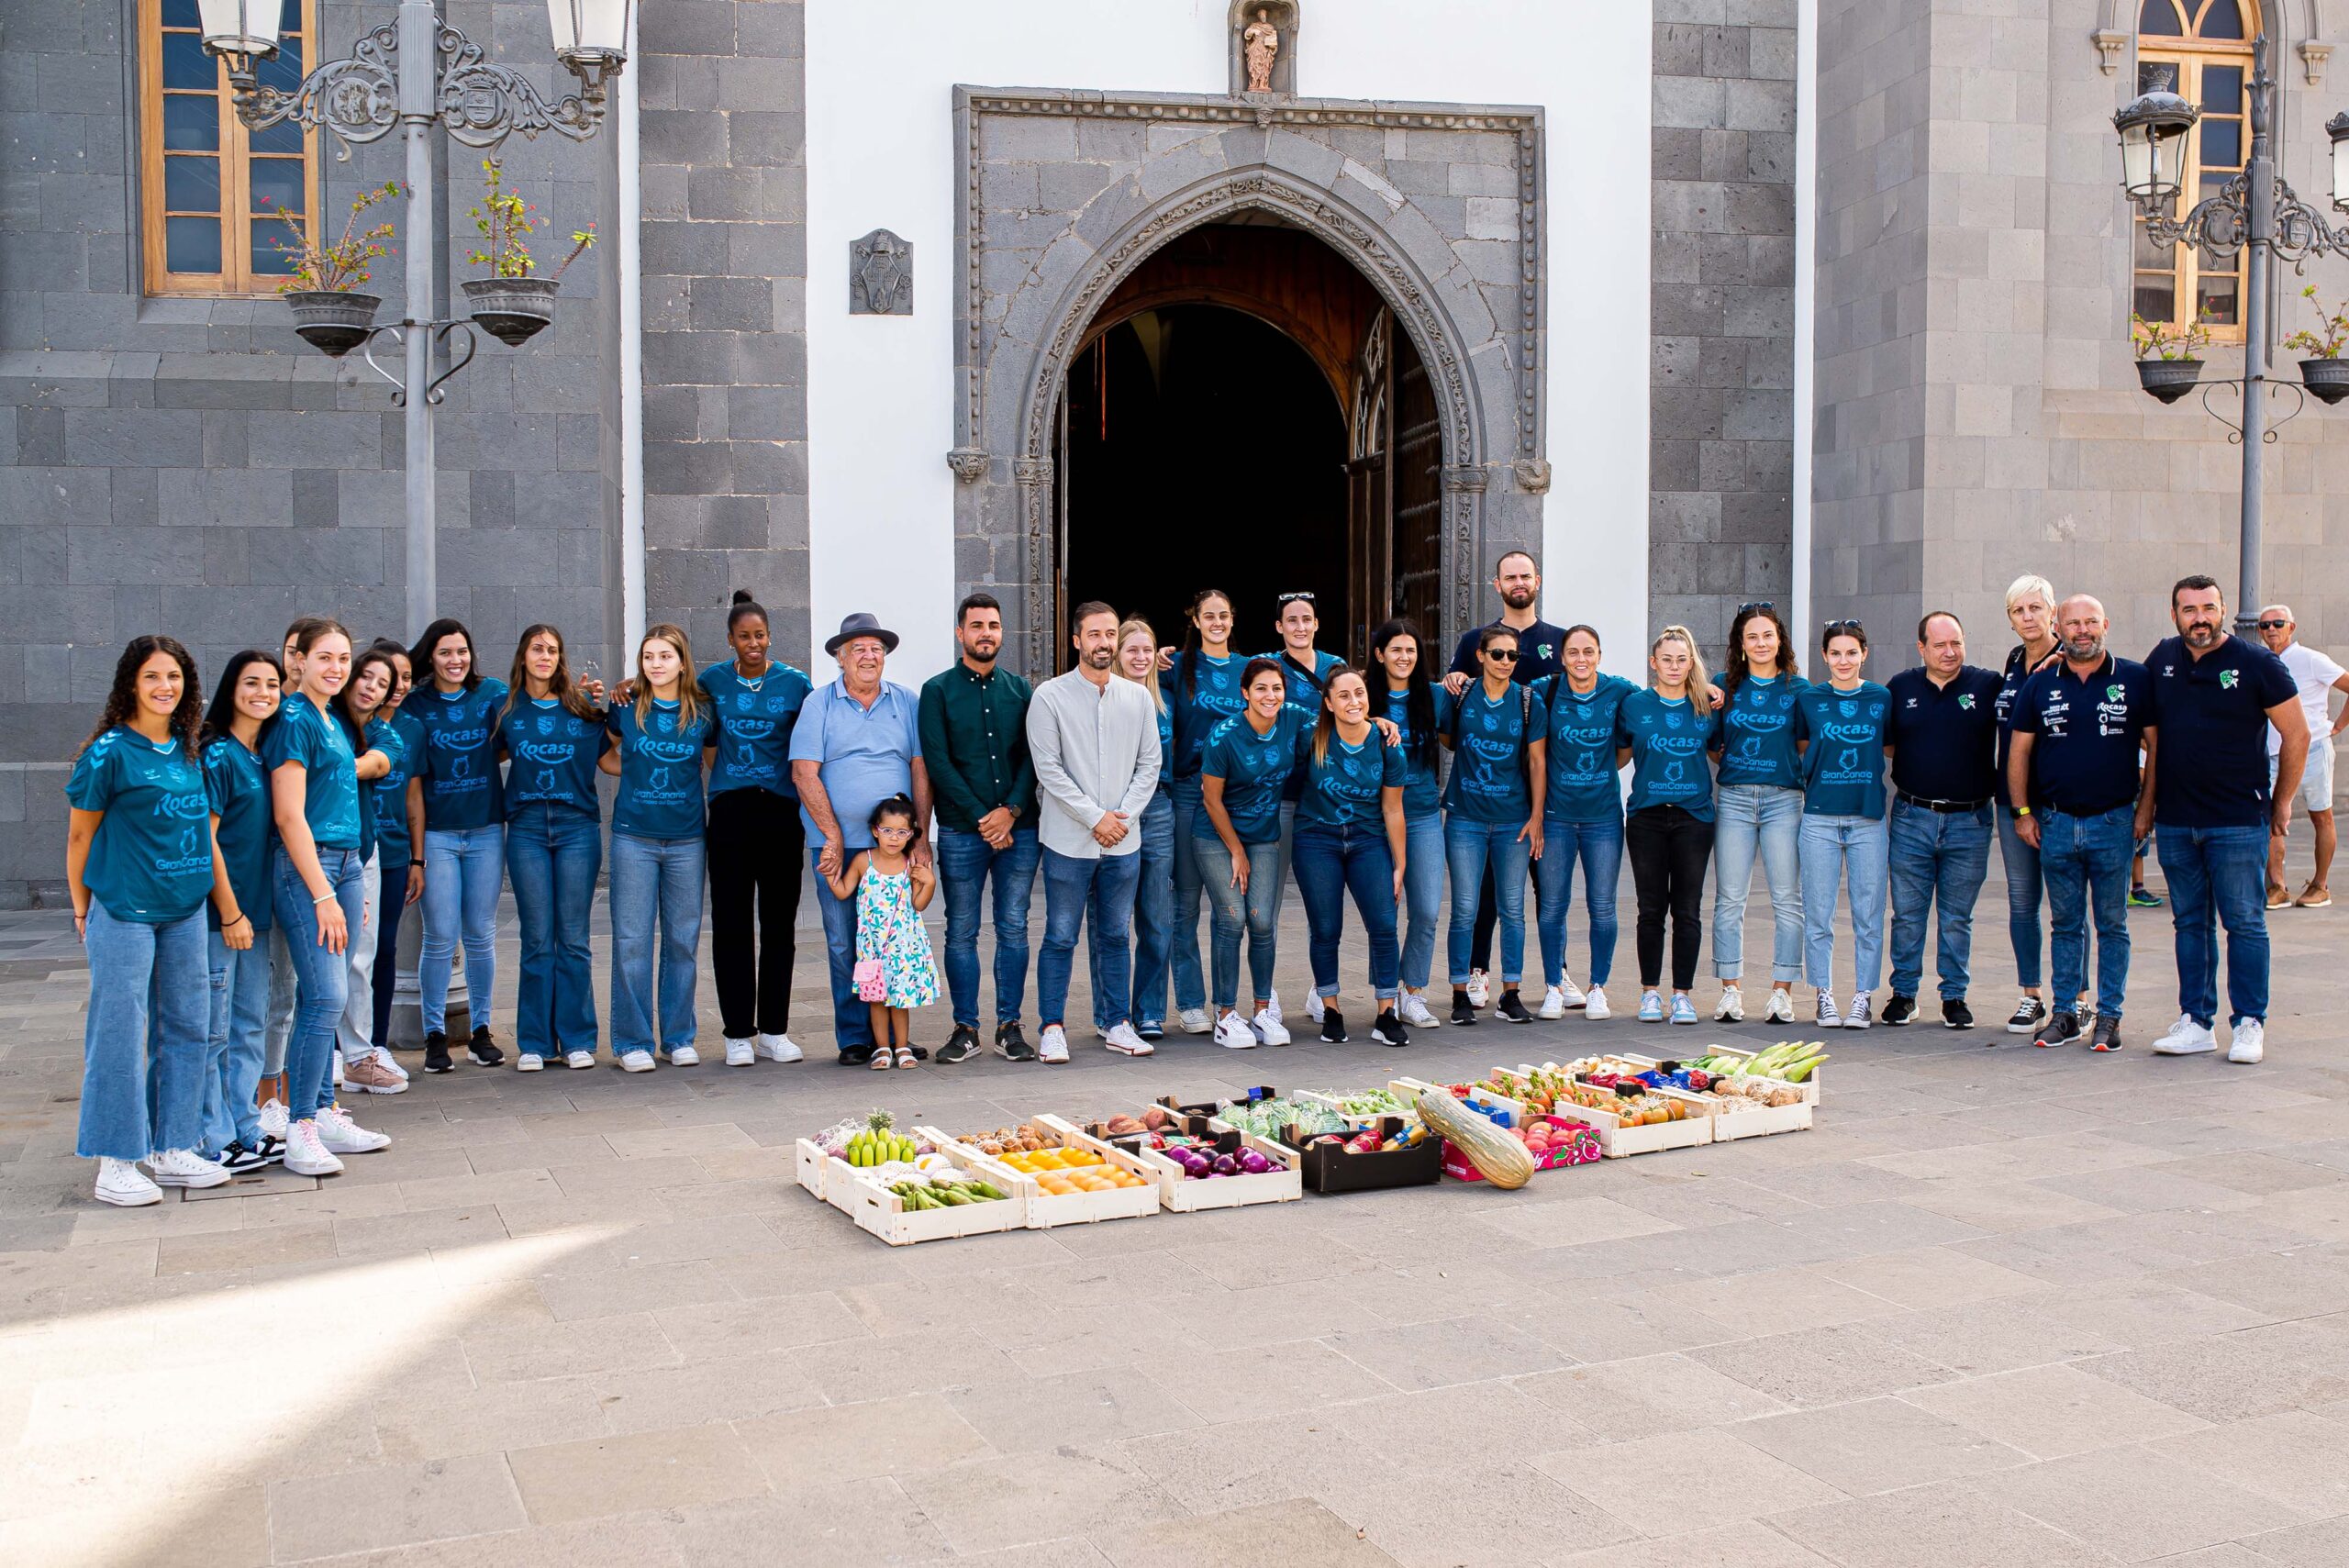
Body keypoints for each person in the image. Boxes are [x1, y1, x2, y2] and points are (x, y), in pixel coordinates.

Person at [67, 636, 228, 1206]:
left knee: (187, 1026)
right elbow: (81, 835)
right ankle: (115, 1159)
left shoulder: (188, 751)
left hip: (184, 909)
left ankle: (174, 1145)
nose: (166, 687)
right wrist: (83, 907)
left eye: (175, 677)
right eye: (153, 677)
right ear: (131, 684)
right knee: (117, 1030)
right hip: (124, 908)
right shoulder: (109, 751)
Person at [2144, 575, 2308, 1064]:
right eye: (2189, 609)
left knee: (2245, 923)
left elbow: (2296, 735)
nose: (2200, 618)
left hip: (2238, 818)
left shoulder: (2258, 662)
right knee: (2190, 923)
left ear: (2224, 610)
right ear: (2174, 614)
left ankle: (2249, 1023)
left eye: (2208, 608)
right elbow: (2145, 730)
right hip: (2176, 819)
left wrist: (2281, 803)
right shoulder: (2162, 661)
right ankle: (2195, 1021)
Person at [265, 621, 394, 1175]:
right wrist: (322, 892)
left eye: (344, 657)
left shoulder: (330, 718)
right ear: (300, 661)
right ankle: (301, 1128)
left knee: (330, 997)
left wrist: (348, 888)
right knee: (321, 997)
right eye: (325, 658)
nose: (337, 668)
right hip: (309, 868)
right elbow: (289, 813)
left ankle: (324, 1109)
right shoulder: (293, 718)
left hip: (345, 863)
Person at [2007, 595, 2154, 1052]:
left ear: (2105, 624)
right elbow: (2018, 753)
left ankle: (2110, 1017)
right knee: (2065, 924)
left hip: (2114, 822)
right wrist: (2022, 812)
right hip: (2056, 823)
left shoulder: (2134, 678)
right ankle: (2066, 1012)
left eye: (2091, 622)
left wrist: (2146, 810)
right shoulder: (2040, 682)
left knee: (2112, 924)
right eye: (2073, 623)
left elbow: (2157, 748)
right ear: (2059, 626)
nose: (2082, 630)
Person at [791, 612, 931, 1067]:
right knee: (843, 939)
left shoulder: (906, 702)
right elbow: (804, 771)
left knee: (897, 940)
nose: (869, 656)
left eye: (877, 649)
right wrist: (831, 833)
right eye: (859, 649)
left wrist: (921, 838)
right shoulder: (819, 704)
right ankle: (856, 1037)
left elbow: (918, 768)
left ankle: (894, 1037)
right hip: (840, 844)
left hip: (895, 845)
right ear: (840, 657)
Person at [1030, 602, 1164, 1060]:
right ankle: (1052, 1026)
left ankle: (1117, 1022)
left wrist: (1121, 816)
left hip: (1124, 839)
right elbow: (1048, 769)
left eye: (1110, 634)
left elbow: (1151, 764)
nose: (1104, 643)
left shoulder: (1138, 698)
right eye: (1094, 635)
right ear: (1076, 641)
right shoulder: (1049, 696)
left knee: (1114, 934)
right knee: (1061, 934)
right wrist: (1095, 818)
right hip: (1068, 840)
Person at [918, 592, 1040, 1064]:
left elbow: (1035, 756)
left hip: (1020, 829)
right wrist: (983, 819)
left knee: (1013, 926)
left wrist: (1009, 810)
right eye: (976, 625)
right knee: (961, 930)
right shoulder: (938, 690)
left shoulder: (1022, 691)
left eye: (992, 625)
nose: (985, 633)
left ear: (1001, 632)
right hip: (960, 831)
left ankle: (1009, 1026)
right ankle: (965, 1027)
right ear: (960, 633)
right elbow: (938, 761)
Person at [1446, 550, 1569, 1008]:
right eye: (1509, 576)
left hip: (1536, 795)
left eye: (1525, 575)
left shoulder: (1558, 640)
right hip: (1477, 802)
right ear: (1496, 584)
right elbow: (1449, 704)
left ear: (1537, 579)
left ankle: (1555, 976)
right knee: (1476, 899)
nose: (1519, 582)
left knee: (1543, 893)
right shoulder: (1473, 639)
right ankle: (1475, 973)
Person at [702, 591, 813, 1068]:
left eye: (760, 635)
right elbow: (706, 742)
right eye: (744, 636)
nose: (754, 643)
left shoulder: (794, 683)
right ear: (731, 639)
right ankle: (737, 1034)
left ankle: (773, 1029)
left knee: (778, 925)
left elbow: (808, 744)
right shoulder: (711, 681)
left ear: (770, 636)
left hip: (780, 813)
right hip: (730, 812)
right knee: (730, 923)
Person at [1881, 611, 2004, 1029]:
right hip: (1913, 816)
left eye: (1956, 643)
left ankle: (1954, 996)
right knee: (1908, 914)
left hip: (1969, 821)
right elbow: (1889, 743)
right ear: (1921, 648)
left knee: (1956, 916)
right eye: (1940, 645)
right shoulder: (1901, 687)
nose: (1950, 652)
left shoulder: (1986, 685)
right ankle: (1904, 994)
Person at [601, 625, 713, 1072]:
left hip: (687, 838)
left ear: (682, 662)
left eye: (665, 656)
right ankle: (632, 1042)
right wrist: (633, 775)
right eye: (648, 657)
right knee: (632, 941)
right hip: (634, 837)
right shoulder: (626, 707)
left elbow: (711, 764)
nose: (656, 664)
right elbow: (606, 756)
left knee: (683, 941)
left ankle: (679, 1037)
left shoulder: (703, 712)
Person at [499, 624, 610, 1070]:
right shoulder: (506, 710)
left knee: (574, 938)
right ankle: (534, 1043)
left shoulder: (582, 709)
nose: (544, 656)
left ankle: (578, 1038)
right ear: (523, 656)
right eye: (536, 649)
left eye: (552, 649)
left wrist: (614, 699)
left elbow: (613, 751)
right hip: (526, 828)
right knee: (537, 938)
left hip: (576, 827)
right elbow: (488, 757)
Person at [405, 617, 507, 1073]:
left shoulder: (492, 694)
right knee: (441, 937)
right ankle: (435, 1035)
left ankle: (481, 1031)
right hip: (439, 835)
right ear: (431, 656)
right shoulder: (416, 705)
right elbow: (413, 782)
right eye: (445, 652)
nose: (455, 660)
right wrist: (418, 854)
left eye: (462, 651)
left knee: (481, 934)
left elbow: (513, 736)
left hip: (486, 829)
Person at [1195, 656, 1311, 1048]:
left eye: (1276, 688)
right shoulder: (1224, 736)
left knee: (1262, 922)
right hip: (1216, 836)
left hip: (1264, 836)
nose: (1270, 695)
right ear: (1244, 693)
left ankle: (1263, 1010)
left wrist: (1380, 722)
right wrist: (1235, 850)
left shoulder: (1293, 717)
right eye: (1261, 688)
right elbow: (1211, 800)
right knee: (1232, 918)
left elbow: (1338, 719)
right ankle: (1226, 1014)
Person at [1291, 666, 1409, 1044]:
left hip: (1367, 839)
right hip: (1316, 839)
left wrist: (1400, 862)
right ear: (1327, 702)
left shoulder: (1386, 743)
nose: (1353, 701)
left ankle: (1387, 1013)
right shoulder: (1310, 736)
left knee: (1384, 925)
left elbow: (1392, 808)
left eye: (1359, 693)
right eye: (1342, 695)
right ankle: (1331, 1010)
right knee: (1326, 929)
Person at [199, 651, 283, 1172]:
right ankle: (212, 1136)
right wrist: (229, 914)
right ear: (232, 689)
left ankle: (244, 1127)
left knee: (250, 1023)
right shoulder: (217, 755)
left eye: (272, 684)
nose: (263, 693)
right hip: (221, 919)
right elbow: (206, 841)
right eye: (252, 683)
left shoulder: (263, 754)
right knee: (214, 1031)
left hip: (259, 913)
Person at [1442, 625, 1547, 1025]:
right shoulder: (1461, 694)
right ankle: (1459, 994)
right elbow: (1440, 733)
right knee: (1465, 909)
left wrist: (1536, 816)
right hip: (1465, 818)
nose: (1505, 662)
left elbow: (1537, 762)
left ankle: (1511, 993)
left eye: (1512, 656)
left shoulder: (1528, 701)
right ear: (1480, 656)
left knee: (1513, 909)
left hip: (1513, 822)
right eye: (1497, 654)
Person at [1709, 603, 1807, 1024]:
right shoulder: (1722, 686)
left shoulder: (1798, 689)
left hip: (1784, 799)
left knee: (1787, 898)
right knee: (1730, 898)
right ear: (1741, 644)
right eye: (1752, 637)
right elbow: (1712, 743)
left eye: (1768, 635)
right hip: (1733, 799)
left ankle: (1781, 992)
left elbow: (1802, 743)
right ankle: (1730, 990)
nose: (1761, 643)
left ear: (1779, 639)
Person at [1618, 627, 1720, 1025]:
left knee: (1688, 910)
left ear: (1691, 662)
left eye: (1682, 659)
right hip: (1647, 818)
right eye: (1666, 659)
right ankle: (1649, 993)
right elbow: (1620, 755)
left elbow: (1717, 751)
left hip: (1694, 818)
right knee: (1650, 909)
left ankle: (1682, 995)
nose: (1674, 667)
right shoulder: (1635, 705)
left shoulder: (1707, 707)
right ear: (1653, 662)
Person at [1532, 625, 1635, 1021]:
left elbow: (1657, 701)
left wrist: (1709, 692)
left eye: (1588, 652)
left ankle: (1597, 988)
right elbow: (1505, 693)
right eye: (1573, 652)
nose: (1581, 659)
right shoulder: (1546, 690)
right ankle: (1554, 986)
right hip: (1557, 819)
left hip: (1603, 819)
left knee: (1603, 907)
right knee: (1553, 907)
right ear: (1562, 657)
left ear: (1599, 655)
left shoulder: (1618, 690)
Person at [1796, 621, 1893, 1029]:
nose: (1843, 660)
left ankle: (1862, 996)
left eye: (1851, 652)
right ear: (1824, 656)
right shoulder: (1810, 700)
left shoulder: (1881, 698)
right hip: (1819, 817)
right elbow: (1804, 747)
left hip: (1868, 818)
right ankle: (1824, 995)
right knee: (1818, 914)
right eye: (1835, 653)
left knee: (1868, 915)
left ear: (1864, 654)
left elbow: (1886, 747)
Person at [1160, 588, 1246, 1037]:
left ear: (1233, 620)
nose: (1217, 622)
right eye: (1208, 615)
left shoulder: (1249, 668)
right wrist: (1150, 658)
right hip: (1191, 792)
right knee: (1186, 902)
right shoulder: (1176, 669)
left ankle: (1227, 1004)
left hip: (1238, 794)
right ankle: (1191, 1003)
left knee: (1228, 905)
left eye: (1224, 616)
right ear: (1194, 620)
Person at [1085, 618, 1176, 1040]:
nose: (1140, 658)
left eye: (1147, 650)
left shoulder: (1168, 696)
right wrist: (1112, 814)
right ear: (1117, 654)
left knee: (1157, 918)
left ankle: (1150, 1011)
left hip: (1156, 809)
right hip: (1108, 813)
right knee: (1110, 922)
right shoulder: (1105, 697)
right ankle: (1110, 1014)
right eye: (1131, 650)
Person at [1259, 590, 1345, 1029]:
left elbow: (1357, 708)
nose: (1299, 627)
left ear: (1316, 623)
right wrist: (1168, 659)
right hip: (1279, 799)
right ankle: (1266, 994)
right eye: (1291, 620)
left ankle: (1320, 989)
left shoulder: (1335, 667)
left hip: (1323, 802)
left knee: (1321, 904)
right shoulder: (1267, 667)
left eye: (1306, 619)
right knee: (1268, 903)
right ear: (1279, 627)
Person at [328, 646, 404, 1095]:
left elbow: (376, 763)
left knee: (360, 954)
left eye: (383, 684)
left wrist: (331, 767)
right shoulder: (320, 718)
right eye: (367, 676)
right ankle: (325, 1055)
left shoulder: (384, 733)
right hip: (309, 854)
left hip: (361, 853)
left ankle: (358, 1054)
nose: (372, 687)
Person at [257, 617, 321, 1140]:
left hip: (304, 867)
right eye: (296, 653)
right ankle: (269, 1096)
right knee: (279, 993)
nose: (301, 663)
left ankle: (305, 1101)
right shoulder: (285, 719)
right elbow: (286, 813)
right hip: (274, 871)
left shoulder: (317, 715)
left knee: (300, 990)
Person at [1373, 619, 1450, 1029]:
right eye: (1396, 649)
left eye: (1411, 650)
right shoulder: (1363, 696)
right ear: (1379, 654)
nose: (1404, 657)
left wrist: (1457, 677)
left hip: (1421, 814)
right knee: (1384, 911)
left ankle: (1412, 991)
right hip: (1373, 816)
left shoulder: (1434, 697)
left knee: (1426, 909)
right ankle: (1384, 994)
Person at [826, 795, 940, 1070]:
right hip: (872, 947)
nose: (893, 838)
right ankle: (882, 1049)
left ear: (911, 834)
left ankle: (901, 1046)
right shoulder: (863, 862)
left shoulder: (910, 866)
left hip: (903, 946)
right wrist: (829, 872)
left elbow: (918, 905)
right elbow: (842, 891)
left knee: (899, 1000)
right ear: (876, 830)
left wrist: (930, 882)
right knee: (876, 1000)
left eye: (902, 832)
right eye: (887, 830)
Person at [1994, 574, 2062, 1034]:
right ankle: (2030, 995)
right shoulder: (2015, 660)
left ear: (2052, 611)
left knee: (2066, 906)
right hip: (2011, 803)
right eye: (2019, 611)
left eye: (2036, 608)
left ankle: (2074, 997)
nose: (2029, 617)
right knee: (2022, 902)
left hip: (2059, 803)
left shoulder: (2069, 660)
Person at [2256, 605, 2347, 907]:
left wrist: (2338, 725)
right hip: (2270, 753)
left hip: (2313, 748)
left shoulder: (2311, 659)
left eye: (2278, 623)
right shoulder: (2261, 662)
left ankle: (2320, 885)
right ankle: (2277, 886)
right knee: (2270, 818)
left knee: (2321, 815)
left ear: (2291, 627)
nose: (2271, 629)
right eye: (2265, 625)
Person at [362, 640, 425, 1074]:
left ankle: (376, 1042)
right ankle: (336, 1045)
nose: (398, 687)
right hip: (352, 851)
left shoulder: (410, 728)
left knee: (384, 948)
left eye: (404, 678)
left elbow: (414, 796)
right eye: (388, 679)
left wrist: (417, 860)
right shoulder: (352, 723)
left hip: (393, 852)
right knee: (347, 953)